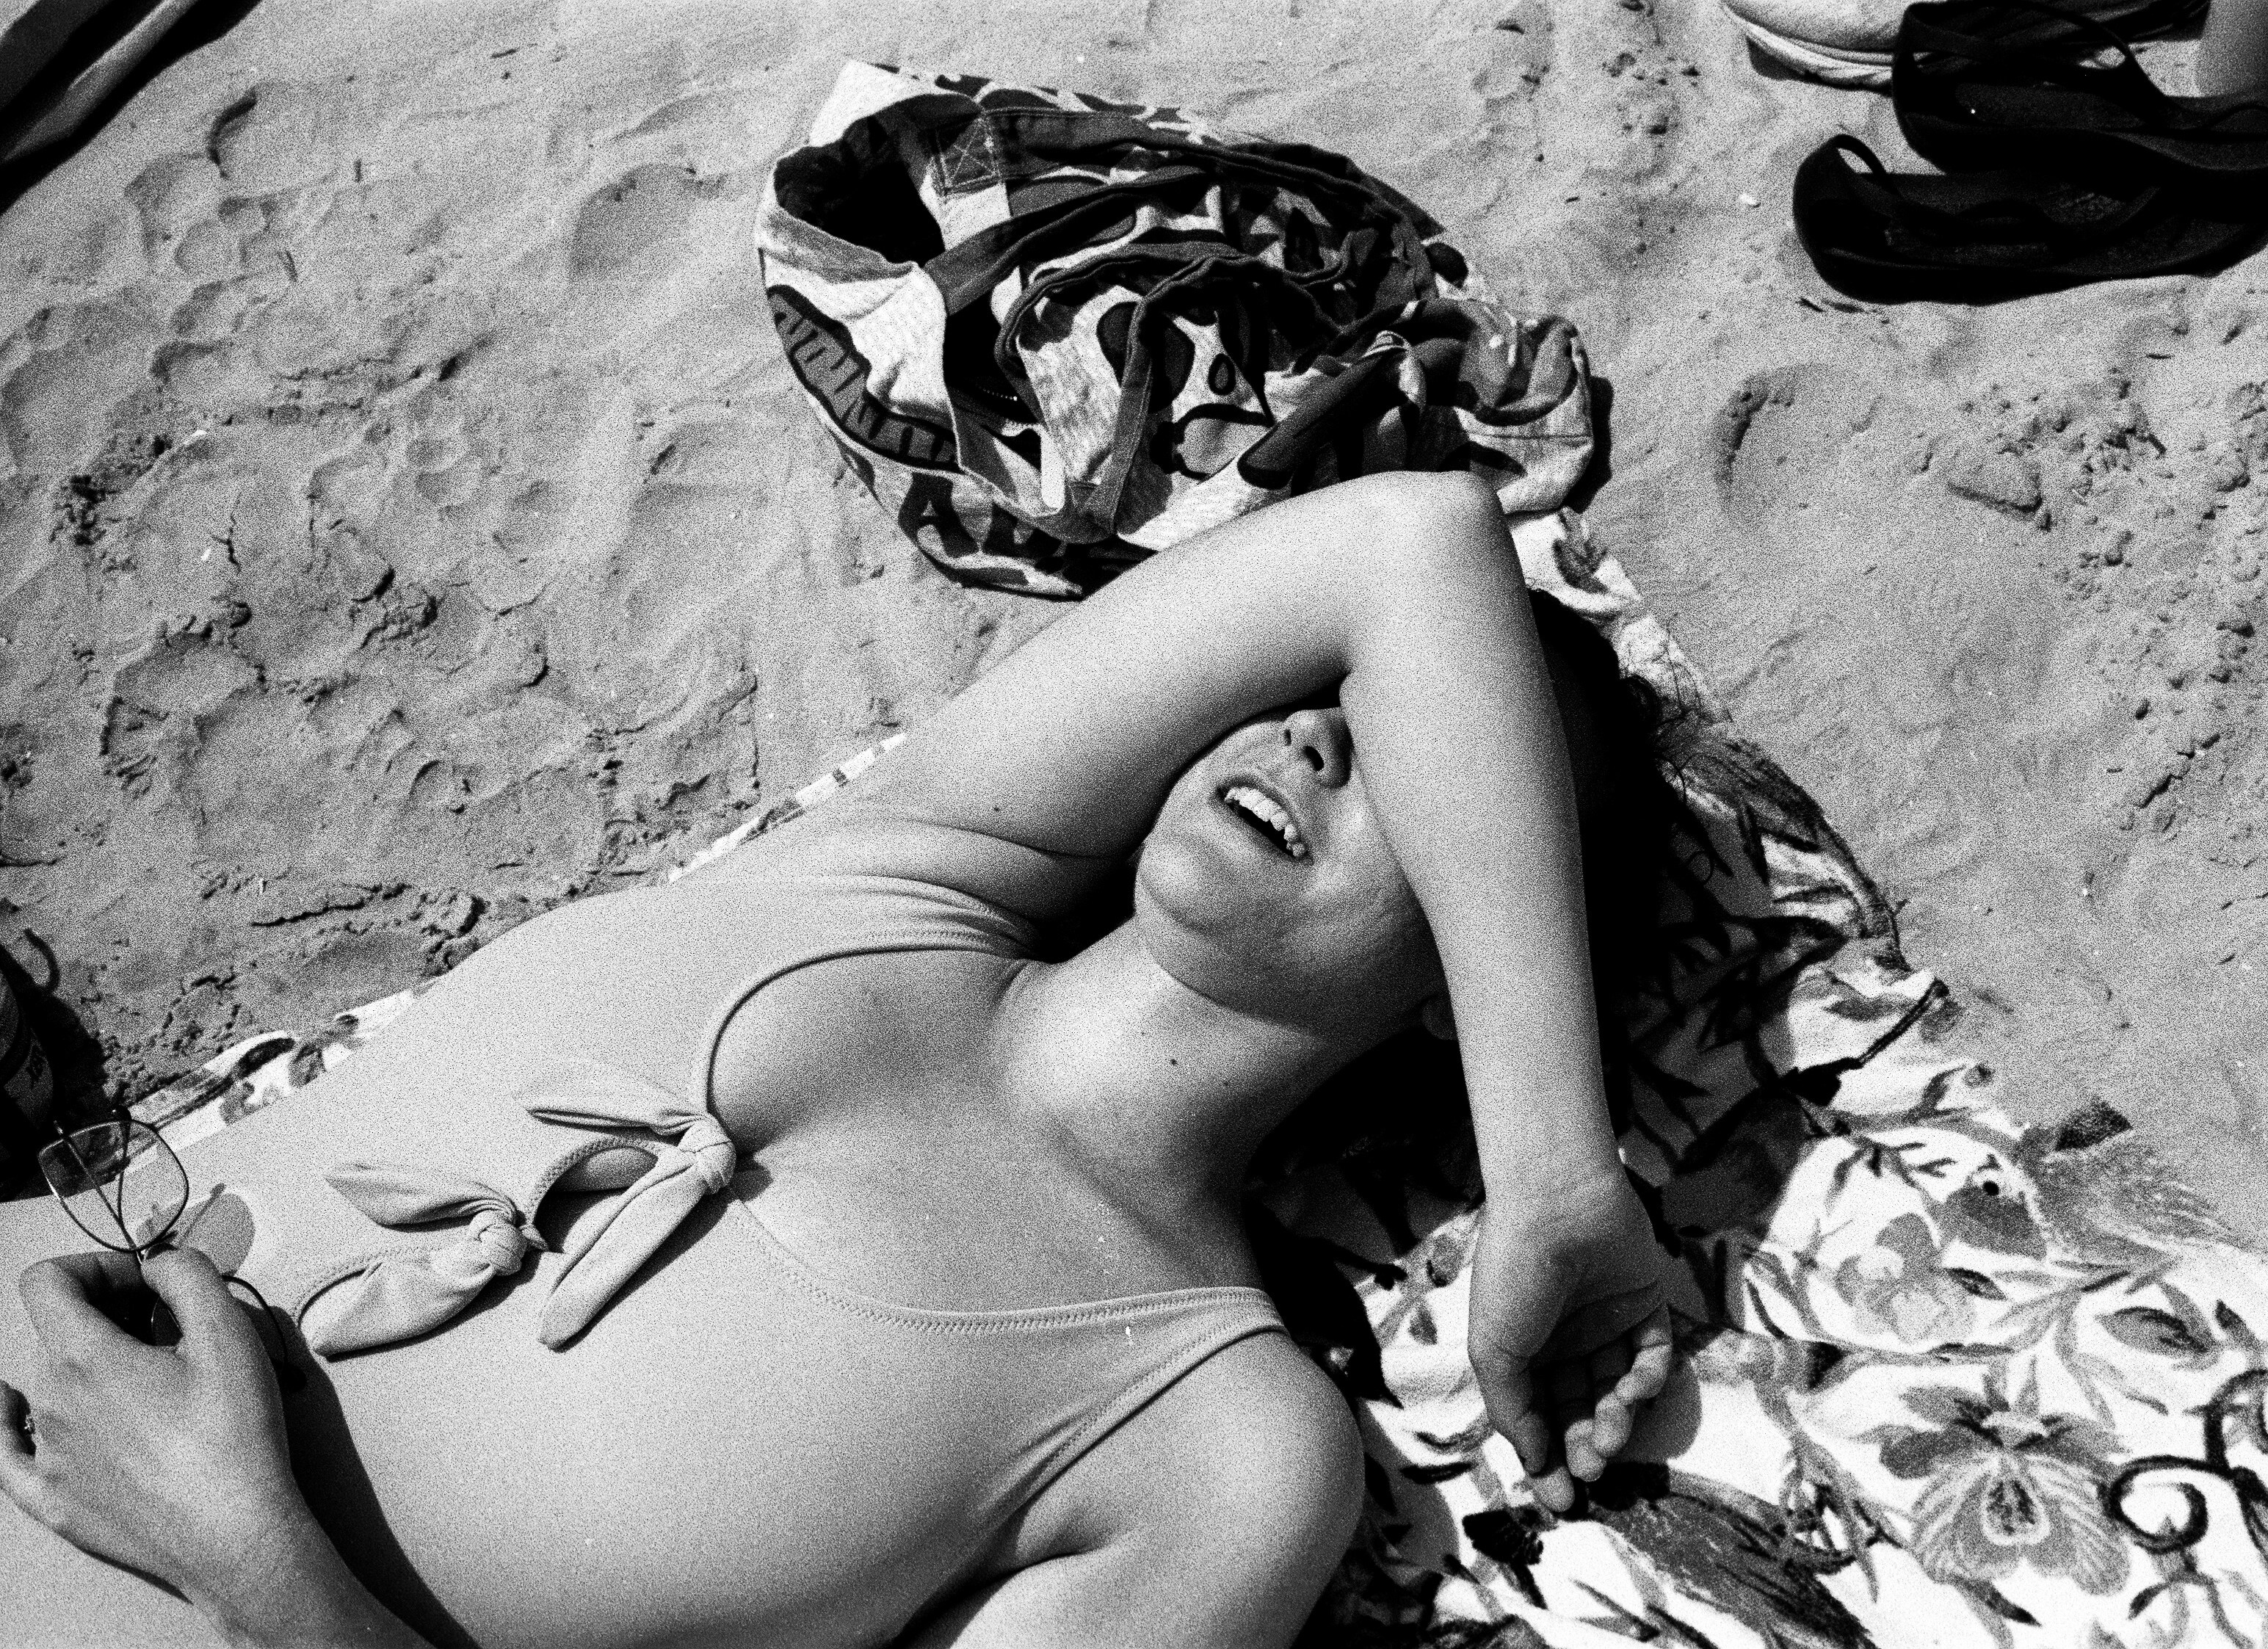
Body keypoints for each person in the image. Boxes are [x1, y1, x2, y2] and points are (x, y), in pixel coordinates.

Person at [0, 471, 1672, 1649]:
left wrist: (253, 1563)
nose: (1315, 725)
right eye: (1331, 696)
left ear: (1491, 947)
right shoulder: (901, 871)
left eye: (1408, 768)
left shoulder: (1212, 1450)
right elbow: (1412, 541)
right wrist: (1552, 1180)